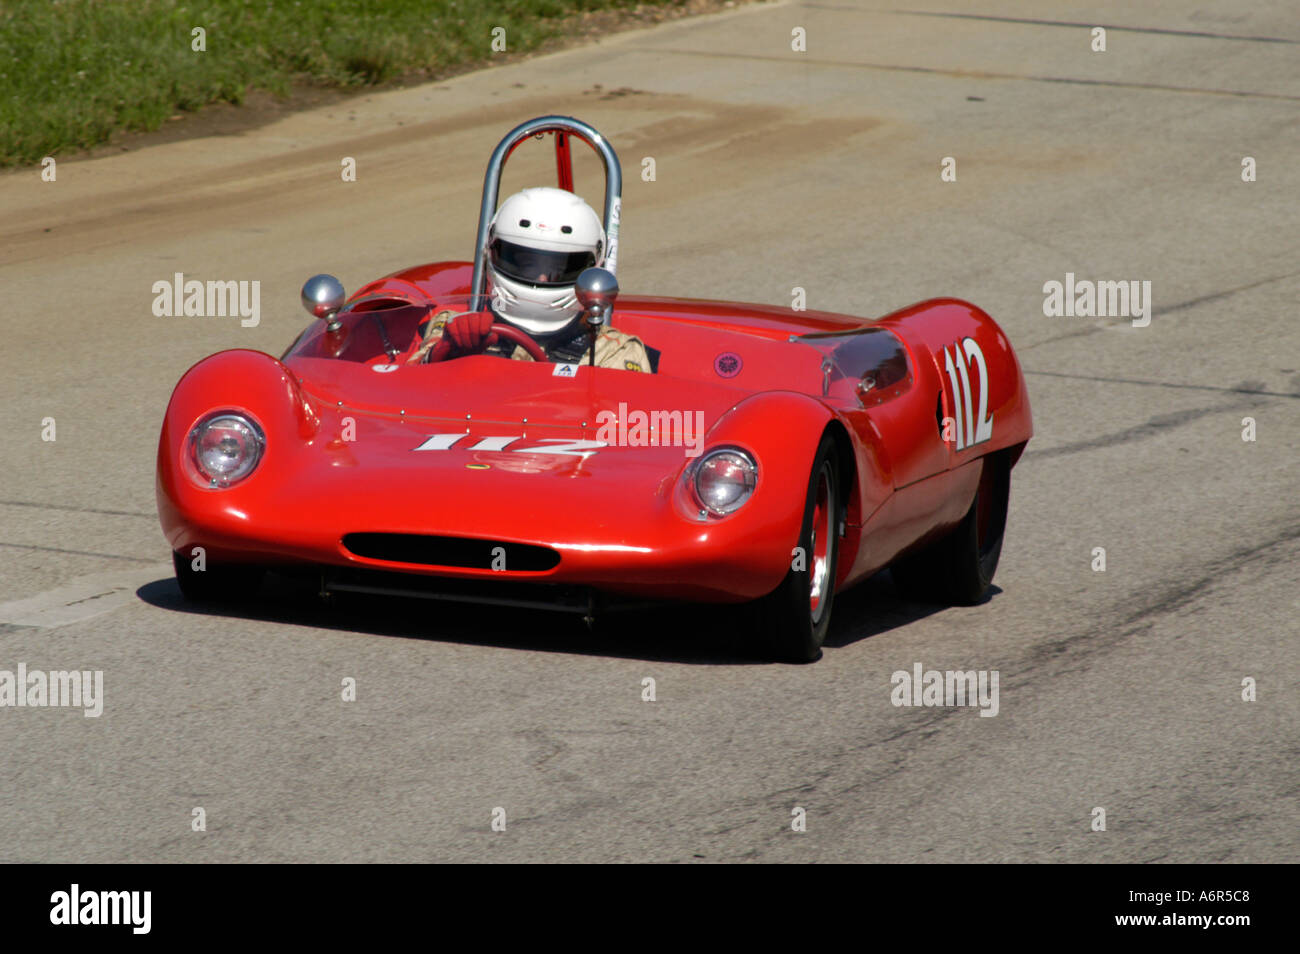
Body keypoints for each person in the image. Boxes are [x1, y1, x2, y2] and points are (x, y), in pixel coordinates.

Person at [410, 187, 651, 372]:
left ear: (592, 267)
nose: (542, 277)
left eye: (560, 267)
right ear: (492, 251)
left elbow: (623, 424)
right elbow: (405, 393)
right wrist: (445, 352)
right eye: (526, 263)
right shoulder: (454, 324)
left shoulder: (614, 350)